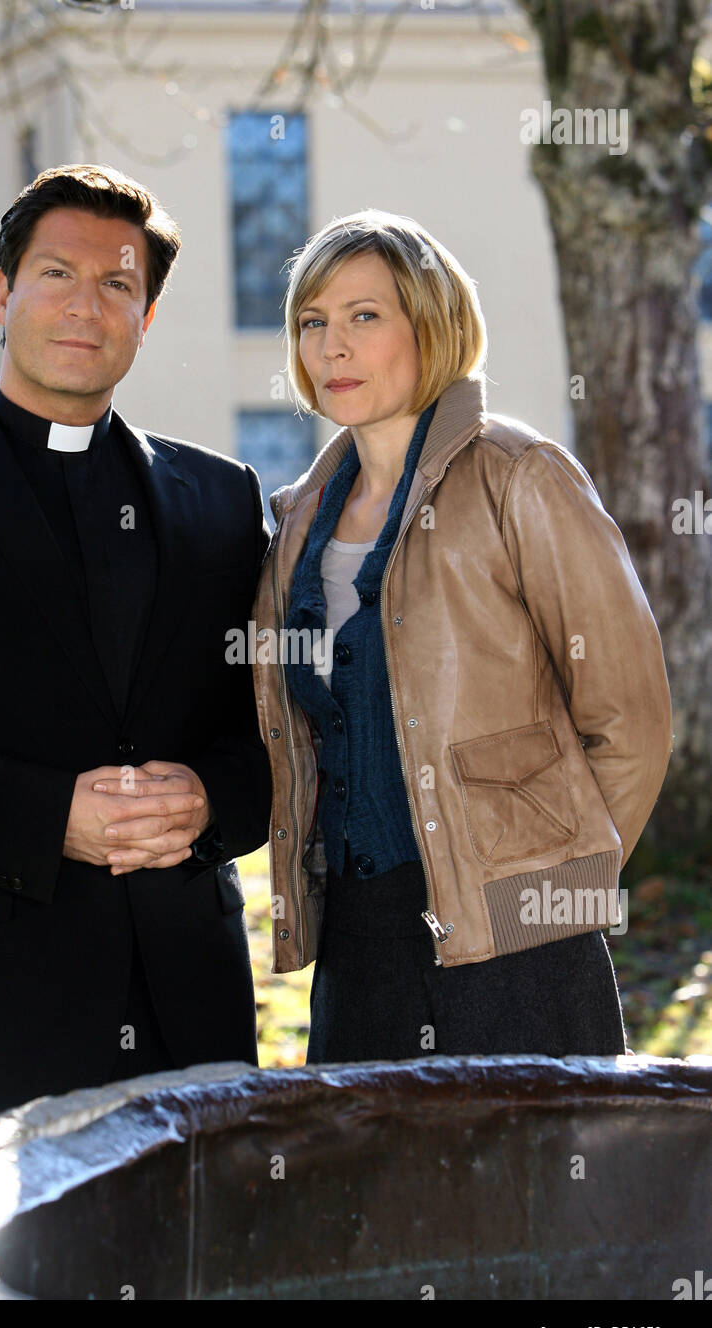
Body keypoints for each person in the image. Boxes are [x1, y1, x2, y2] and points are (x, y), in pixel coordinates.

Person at [0, 164, 271, 1147]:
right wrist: (48, 821)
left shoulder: (222, 501)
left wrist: (213, 802)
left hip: (188, 1010)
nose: (86, 305)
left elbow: (272, 734)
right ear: (3, 293)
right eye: (56, 274)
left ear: (147, 313)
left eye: (117, 282)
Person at [251, 208, 673, 1062]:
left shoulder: (519, 476)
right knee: (370, 1197)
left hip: (520, 954)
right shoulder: (295, 523)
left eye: (364, 317)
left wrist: (544, 892)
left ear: (432, 322)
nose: (332, 347)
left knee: (532, 1194)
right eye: (312, 322)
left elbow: (631, 718)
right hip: (358, 950)